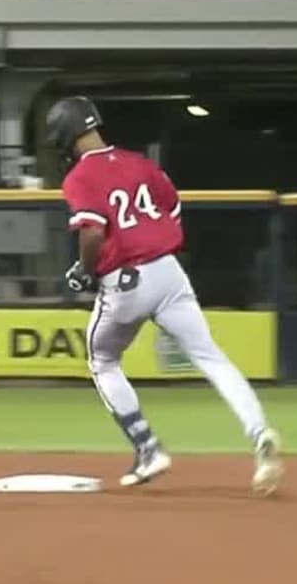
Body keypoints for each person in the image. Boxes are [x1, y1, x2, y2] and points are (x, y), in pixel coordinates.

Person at [45, 96, 284, 496]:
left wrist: (85, 271)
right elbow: (171, 207)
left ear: (65, 137)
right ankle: (259, 433)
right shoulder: (139, 162)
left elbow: (92, 232)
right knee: (212, 357)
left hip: (126, 280)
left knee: (102, 360)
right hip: (170, 272)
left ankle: (148, 448)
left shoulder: (79, 178)